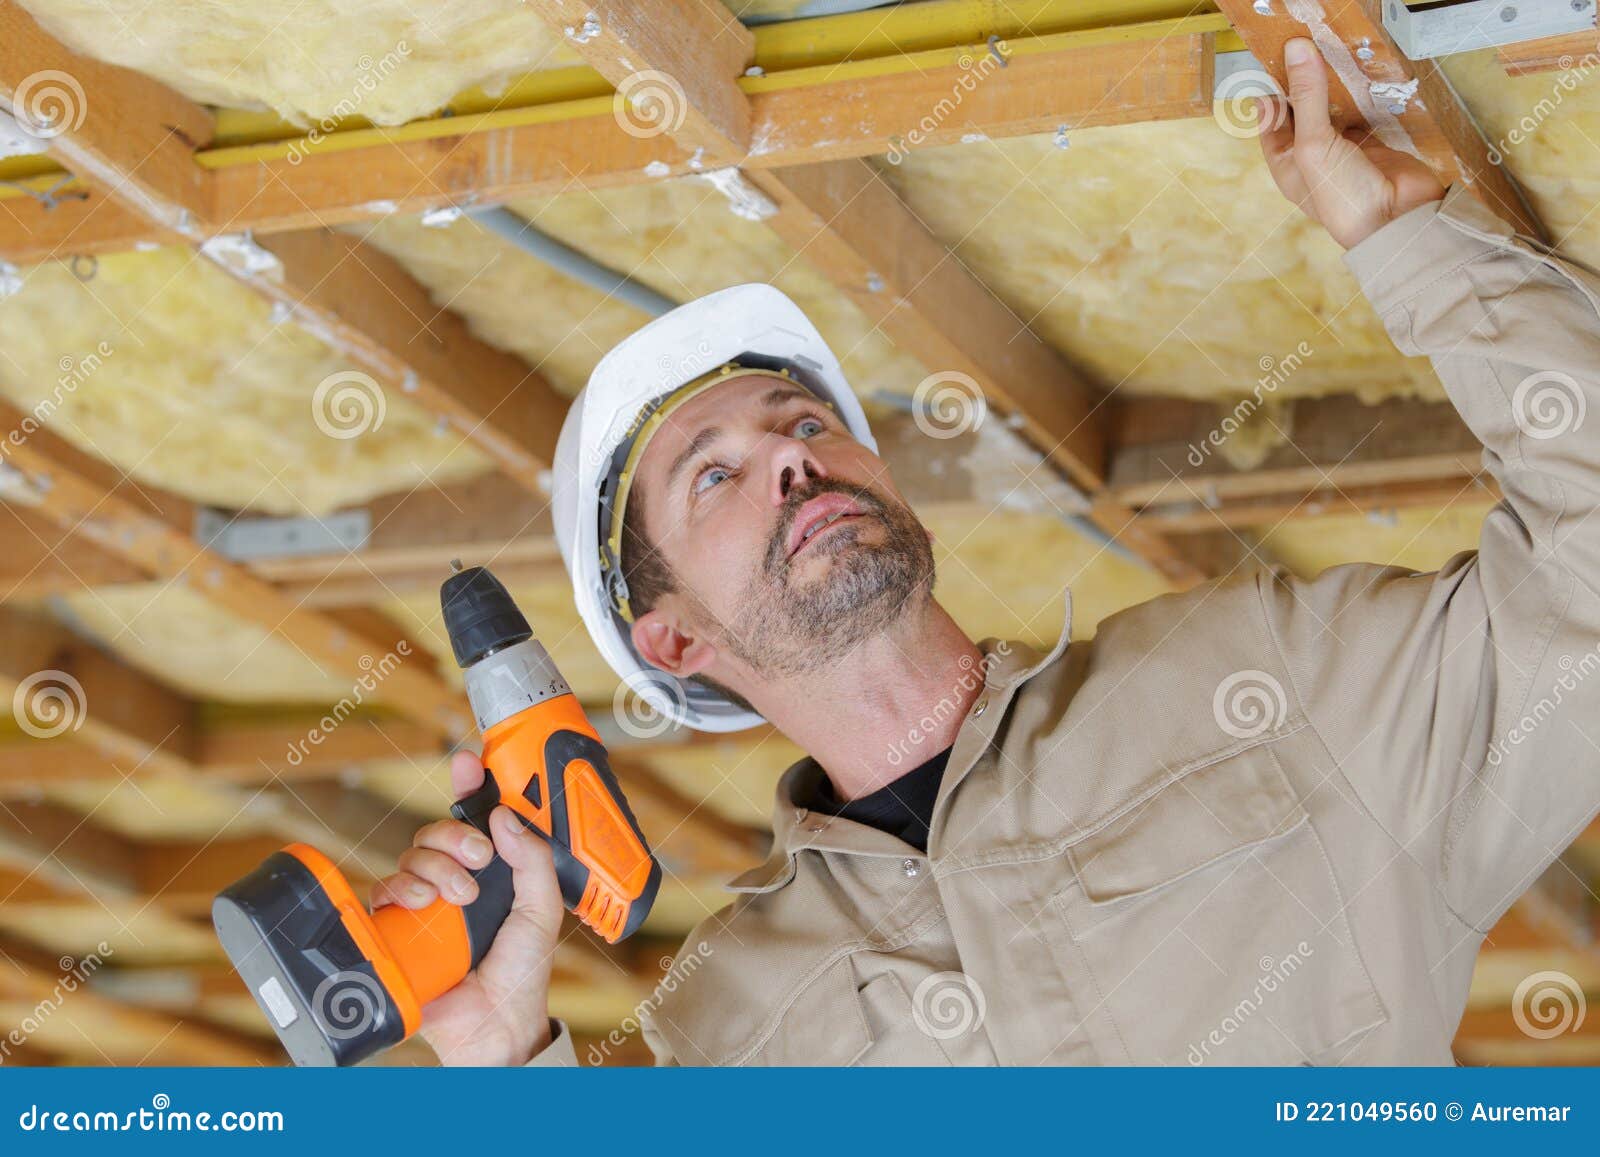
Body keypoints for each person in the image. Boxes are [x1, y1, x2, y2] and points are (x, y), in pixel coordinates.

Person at [372, 39, 1600, 1065]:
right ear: (676, 637)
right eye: (717, 472)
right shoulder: (722, 1023)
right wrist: (501, 1062)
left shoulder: (1266, 679)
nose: (794, 459)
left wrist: (1411, 244)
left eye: (805, 423)